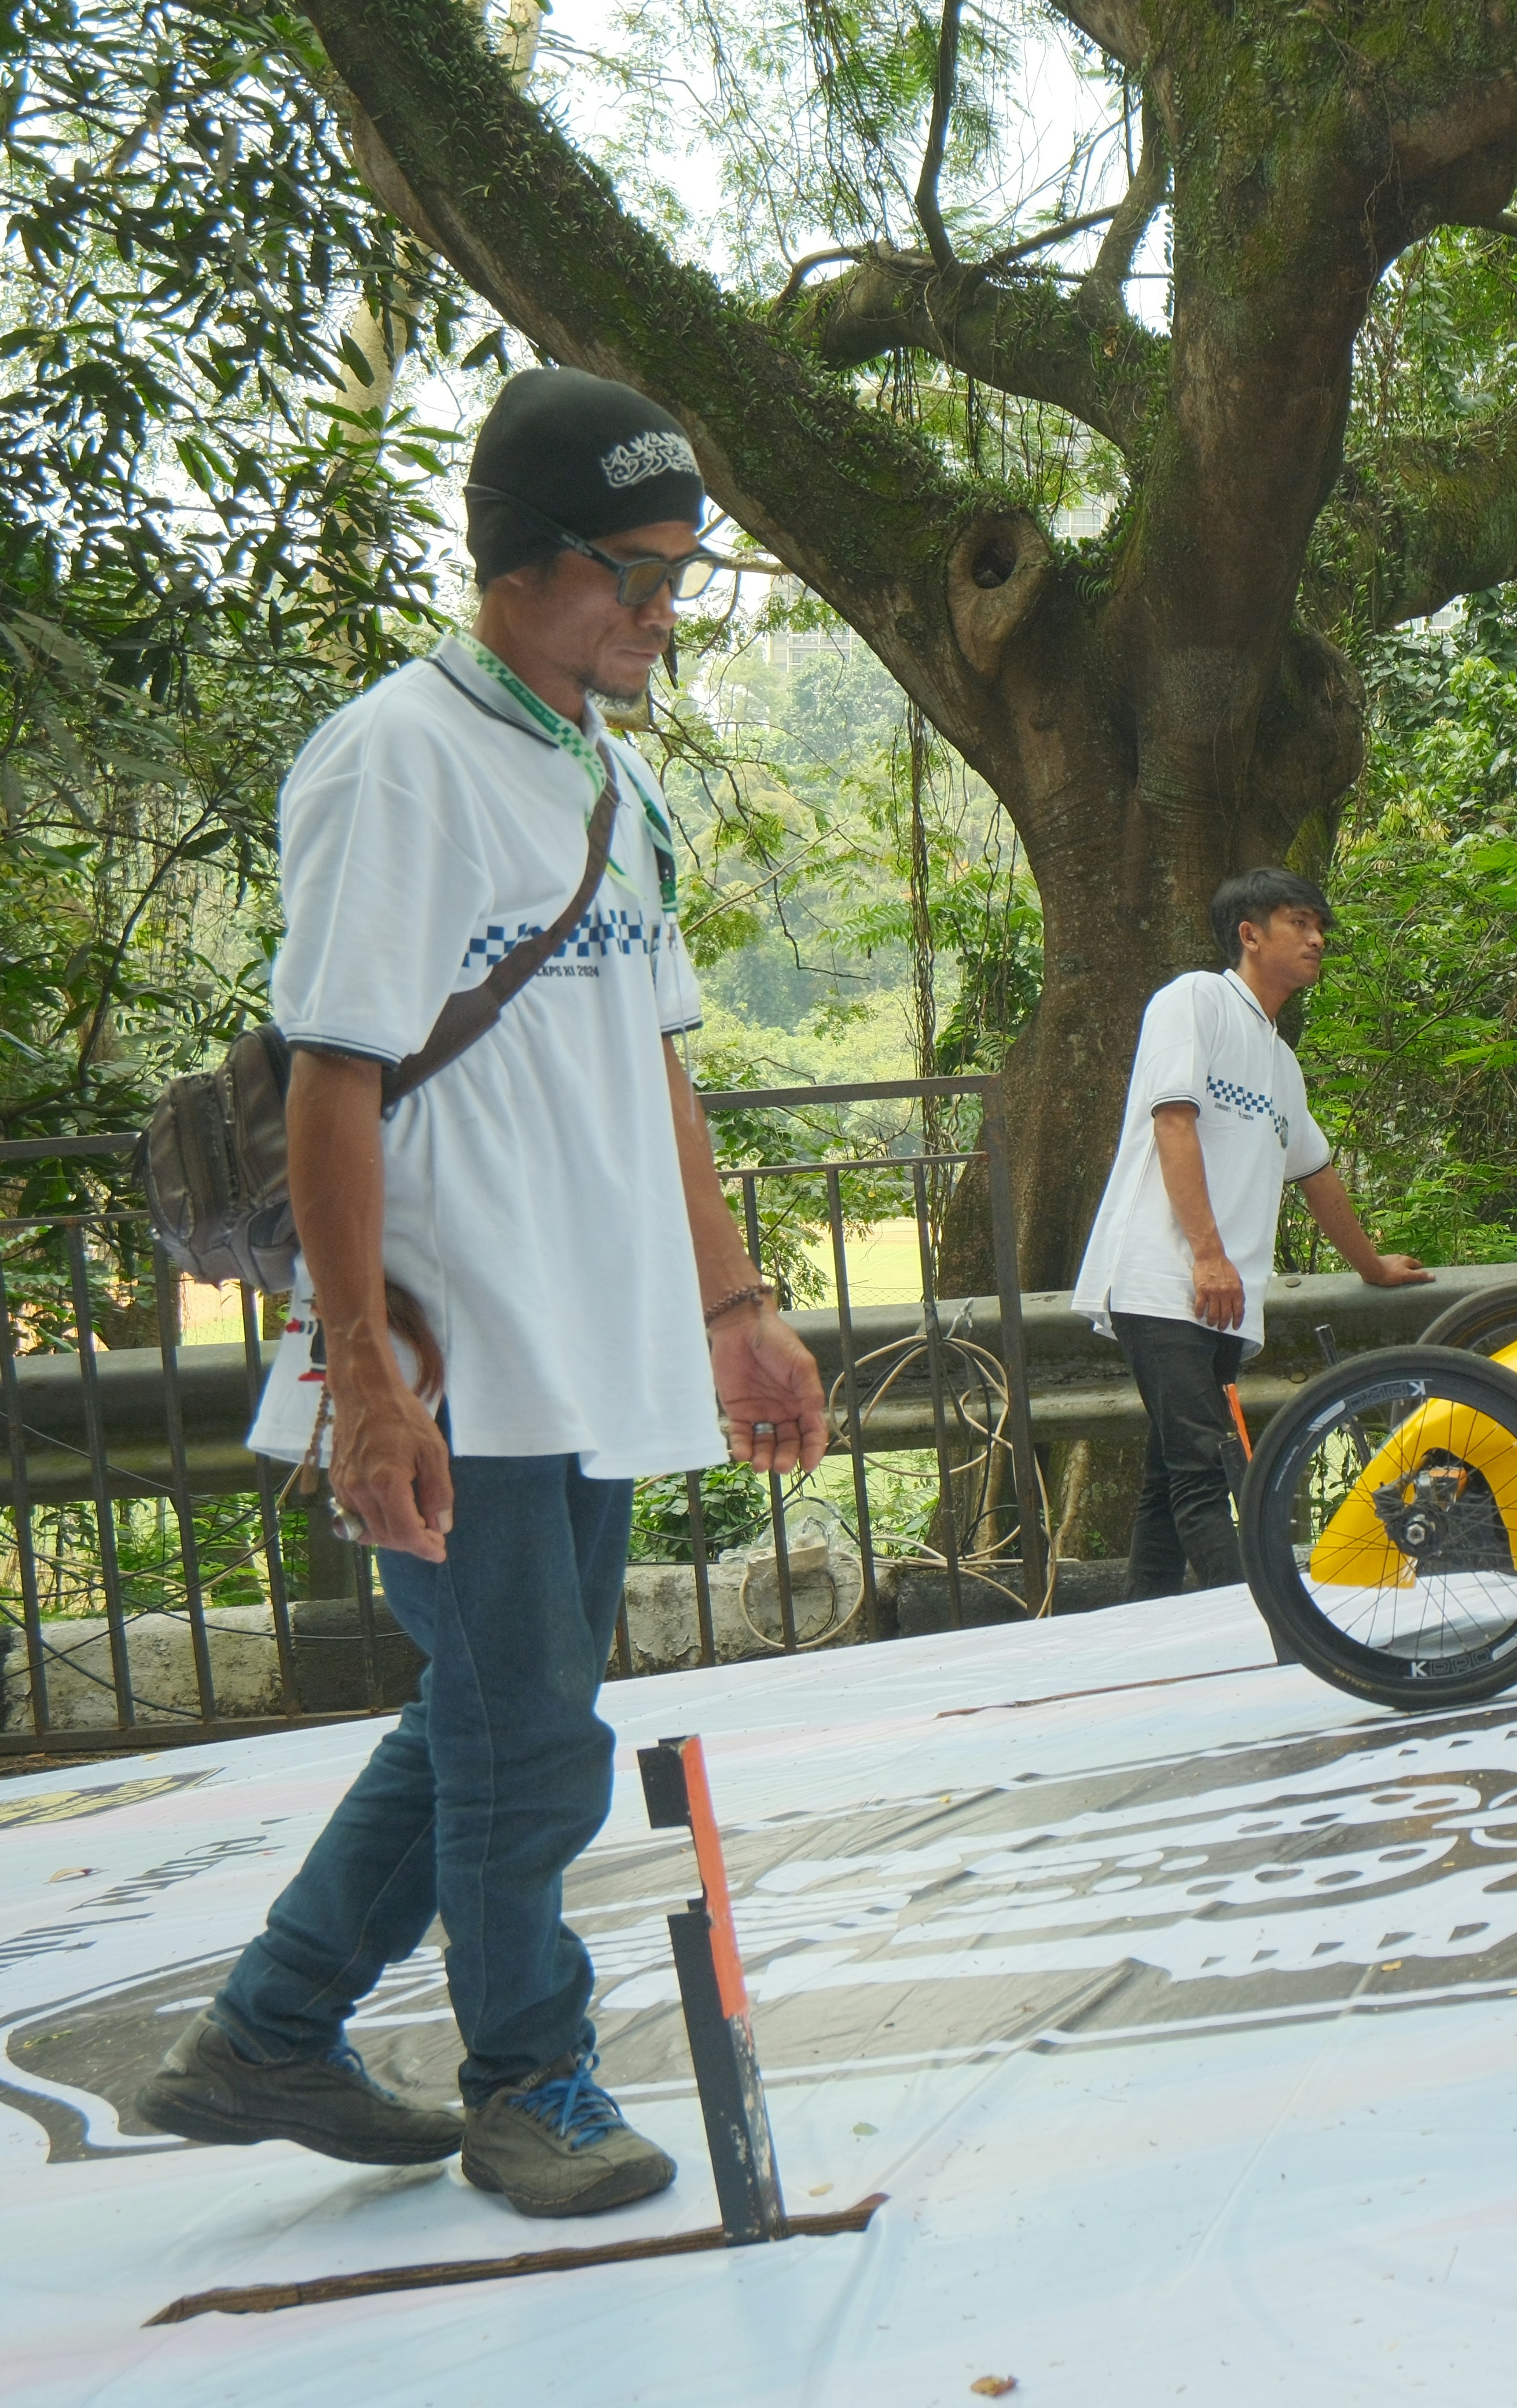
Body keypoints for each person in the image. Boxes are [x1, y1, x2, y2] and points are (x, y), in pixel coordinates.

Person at [126, 368, 832, 2217]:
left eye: (685, 577)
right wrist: (366, 1378)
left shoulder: (610, 773)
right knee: (527, 1735)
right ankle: (530, 2079)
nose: (666, 613)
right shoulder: (398, 760)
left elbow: (657, 1064)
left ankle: (272, 2027)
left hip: (592, 1350)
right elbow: (335, 1072)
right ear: (526, 560)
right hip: (458, 1358)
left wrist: (733, 1308)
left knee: (497, 1716)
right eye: (639, 575)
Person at [1071, 867, 1431, 1608]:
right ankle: (1265, 1625)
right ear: (1250, 934)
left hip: (1224, 1300)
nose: (1317, 938)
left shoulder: (1280, 1062)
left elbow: (1317, 1173)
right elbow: (1173, 1122)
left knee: (1171, 1474)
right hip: (1164, 1280)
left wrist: (1372, 1265)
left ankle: (1145, 1623)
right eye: (1300, 922)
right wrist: (1207, 1254)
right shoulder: (1195, 1001)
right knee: (1209, 1468)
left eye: (1320, 926)